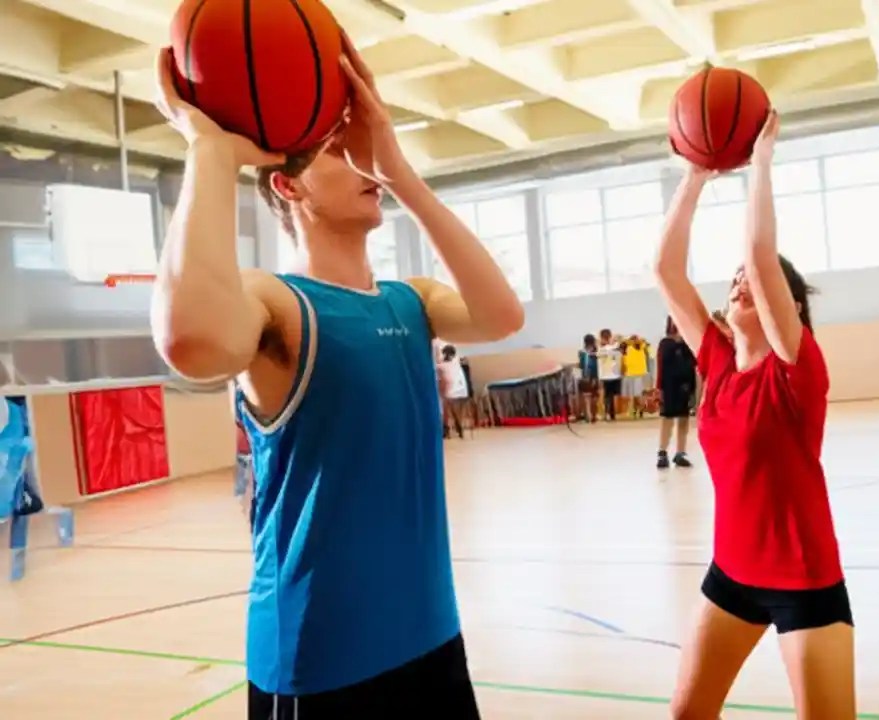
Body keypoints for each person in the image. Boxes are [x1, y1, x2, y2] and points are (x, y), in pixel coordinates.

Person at [149, 38, 523, 718]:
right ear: (287, 184)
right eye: (335, 152)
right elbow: (191, 341)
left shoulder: (411, 302)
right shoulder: (276, 301)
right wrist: (209, 147)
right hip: (319, 657)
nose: (363, 166)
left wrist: (399, 167)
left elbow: (502, 315)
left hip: (431, 636)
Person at [655, 112, 854, 719]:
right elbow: (665, 270)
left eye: (760, 282)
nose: (743, 280)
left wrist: (760, 162)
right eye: (736, 278)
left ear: (787, 306)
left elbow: (761, 256)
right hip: (731, 575)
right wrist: (695, 175)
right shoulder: (715, 363)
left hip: (805, 581)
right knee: (688, 715)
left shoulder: (798, 370)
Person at [656, 316, 696, 469]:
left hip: (685, 386)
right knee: (667, 419)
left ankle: (680, 453)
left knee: (684, 419)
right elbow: (660, 367)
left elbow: (694, 364)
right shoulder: (665, 343)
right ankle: (662, 452)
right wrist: (659, 388)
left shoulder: (688, 342)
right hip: (668, 386)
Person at [438, 344, 470, 439]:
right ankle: (457, 426)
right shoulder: (457, 363)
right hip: (461, 390)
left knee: (446, 405)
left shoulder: (443, 365)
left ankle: (447, 429)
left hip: (452, 391)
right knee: (451, 407)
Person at [597, 329, 623, 421]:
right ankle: (612, 414)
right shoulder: (616, 349)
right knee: (613, 395)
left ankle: (607, 413)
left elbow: (599, 363)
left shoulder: (600, 350)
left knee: (607, 396)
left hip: (605, 376)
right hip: (615, 375)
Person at [578, 334, 600, 423]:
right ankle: (594, 416)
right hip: (594, 377)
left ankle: (588, 416)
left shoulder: (581, 353)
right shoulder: (596, 352)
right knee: (594, 398)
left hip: (584, 377)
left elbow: (581, 365)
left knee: (586, 398)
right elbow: (597, 366)